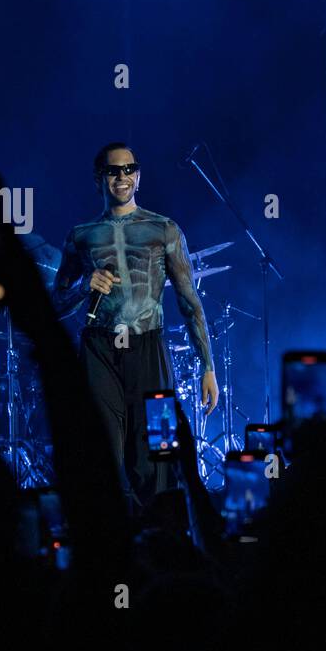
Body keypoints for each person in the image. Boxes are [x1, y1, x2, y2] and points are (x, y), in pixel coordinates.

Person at [52, 143, 220, 514]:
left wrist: (207, 367)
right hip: (99, 350)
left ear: (138, 175)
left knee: (158, 454)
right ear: (100, 178)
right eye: (114, 171)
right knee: (103, 453)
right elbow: (56, 301)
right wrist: (83, 287)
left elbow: (190, 301)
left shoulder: (164, 229)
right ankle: (114, 549)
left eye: (130, 169)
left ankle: (164, 546)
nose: (123, 177)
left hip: (150, 351)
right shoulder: (81, 234)